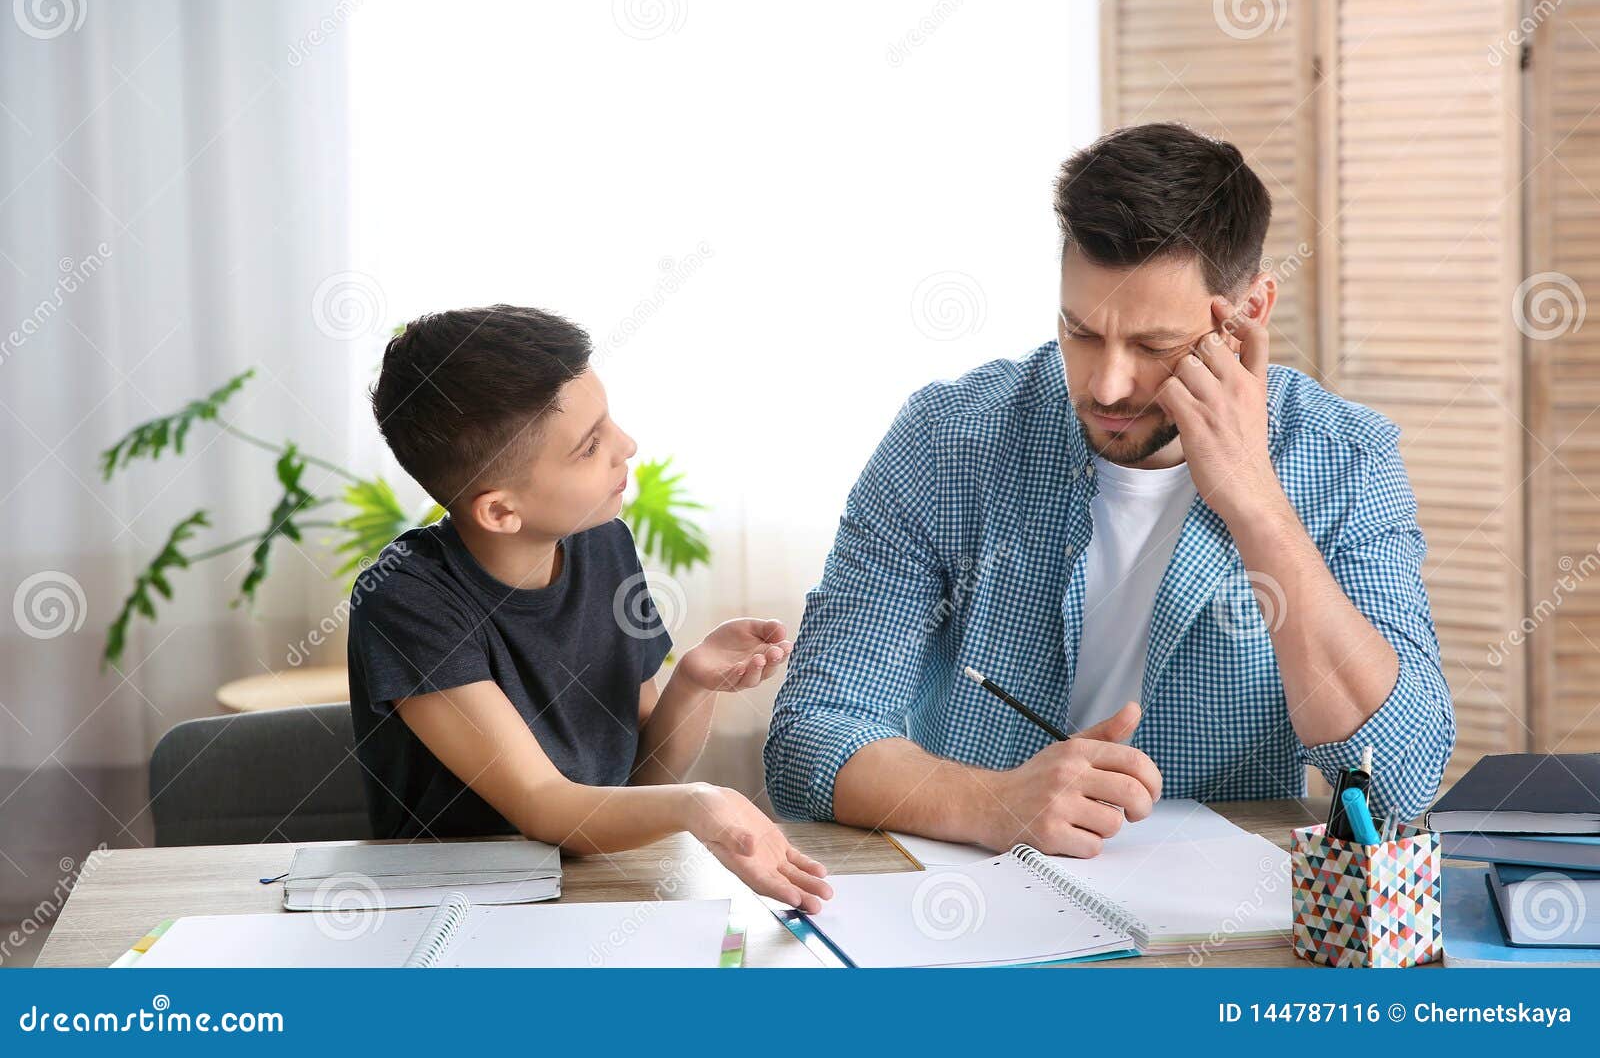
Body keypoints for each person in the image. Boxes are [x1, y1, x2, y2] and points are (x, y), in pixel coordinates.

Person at [764, 121, 1456, 855]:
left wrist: (1256, 500)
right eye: (1081, 331)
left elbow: (1401, 779)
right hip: (971, 901)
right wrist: (997, 804)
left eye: (1154, 346)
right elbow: (809, 734)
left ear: (1247, 315)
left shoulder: (1345, 458)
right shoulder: (947, 439)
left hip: (1217, 938)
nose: (1107, 384)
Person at [347, 305, 831, 913]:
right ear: (499, 511)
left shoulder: (601, 540)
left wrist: (692, 683)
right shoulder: (406, 601)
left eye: (609, 423)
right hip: (458, 911)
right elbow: (542, 803)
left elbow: (642, 780)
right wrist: (699, 806)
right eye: (588, 447)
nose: (626, 446)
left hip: (594, 889)